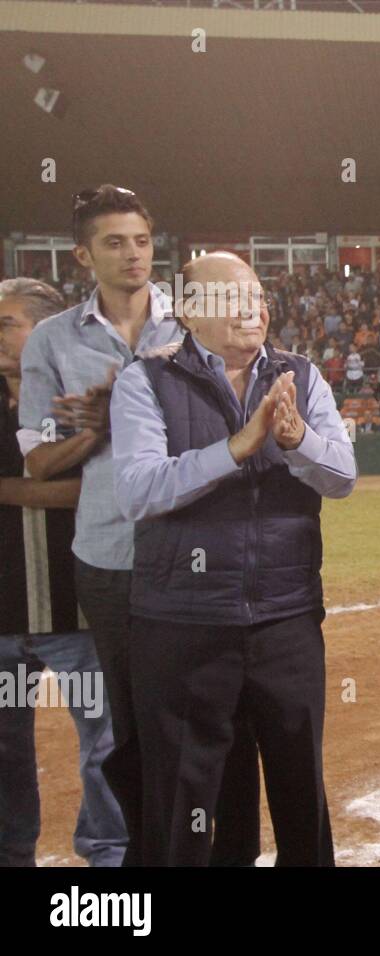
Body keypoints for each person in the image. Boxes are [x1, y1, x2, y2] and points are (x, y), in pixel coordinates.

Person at [18, 186, 261, 867]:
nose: (132, 255)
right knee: (133, 731)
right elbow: (39, 461)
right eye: (114, 243)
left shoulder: (189, 322)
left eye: (142, 241)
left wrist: (124, 406)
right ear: (82, 254)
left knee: (221, 719)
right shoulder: (52, 339)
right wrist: (103, 429)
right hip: (110, 558)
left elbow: (237, 420)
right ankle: (153, 858)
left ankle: (221, 854)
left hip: (199, 551)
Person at [109, 252, 356, 865]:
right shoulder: (145, 380)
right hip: (183, 626)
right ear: (189, 313)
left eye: (257, 293)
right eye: (230, 297)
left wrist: (299, 442)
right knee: (186, 799)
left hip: (286, 619)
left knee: (301, 791)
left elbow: (343, 476)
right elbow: (139, 490)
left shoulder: (302, 374)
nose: (253, 307)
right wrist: (237, 448)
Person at [0, 278, 127, 867]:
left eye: (8, 323)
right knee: (4, 751)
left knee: (104, 748)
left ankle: (109, 860)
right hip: (3, 614)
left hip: (76, 609)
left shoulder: (90, 398)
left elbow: (112, 490)